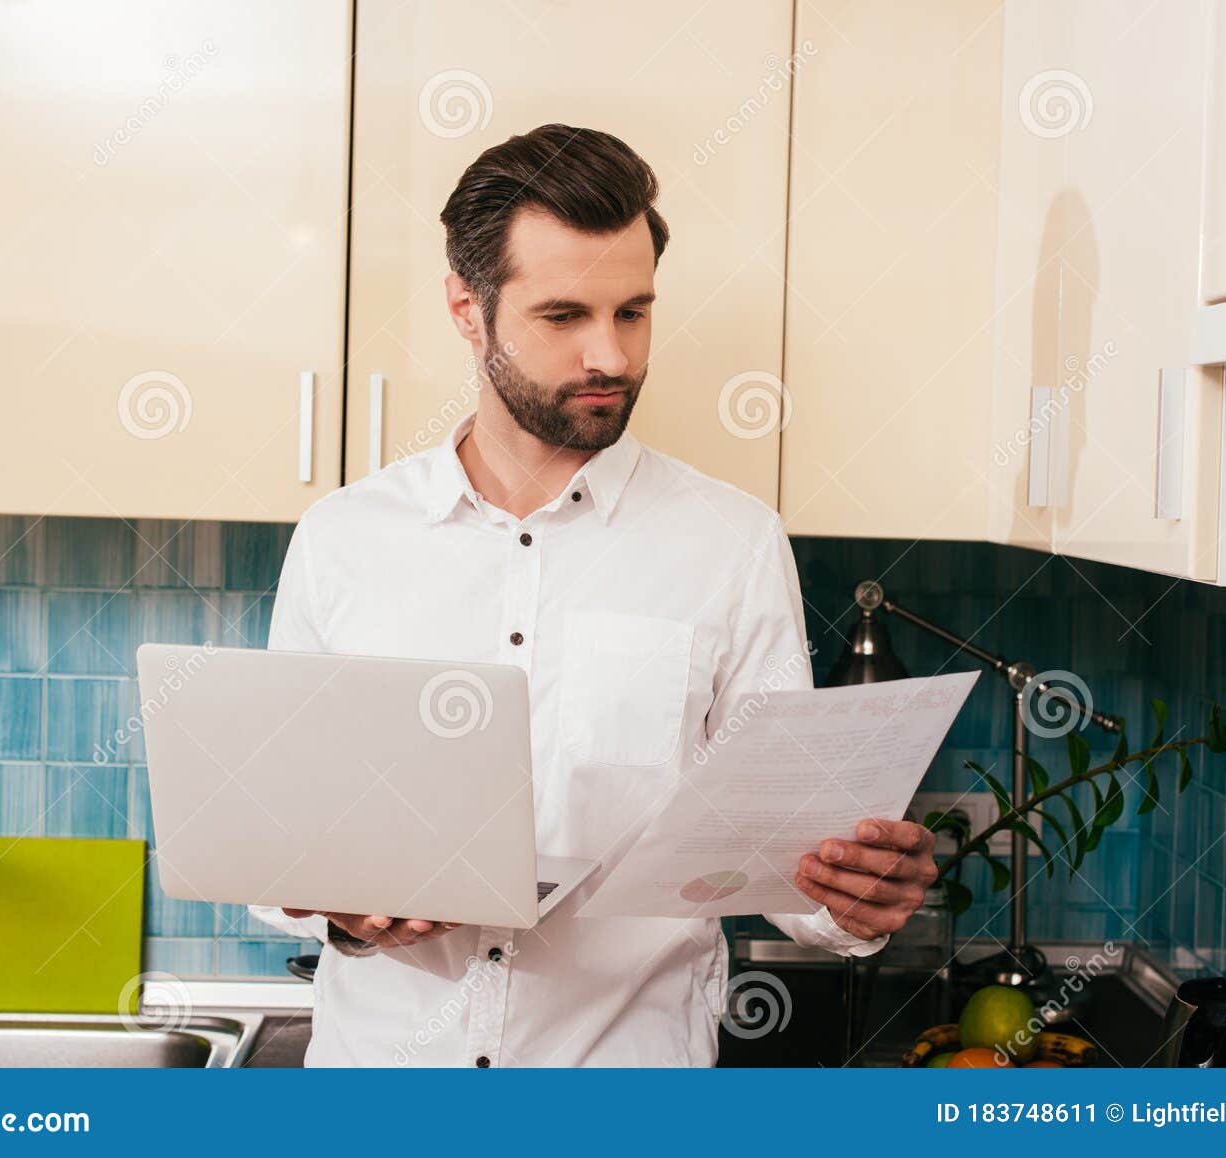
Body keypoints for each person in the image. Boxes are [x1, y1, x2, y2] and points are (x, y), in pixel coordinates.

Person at [252, 123, 938, 1066]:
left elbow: (787, 863)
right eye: (564, 316)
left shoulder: (731, 544)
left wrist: (856, 900)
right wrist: (344, 906)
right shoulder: (344, 538)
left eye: (633, 312)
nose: (610, 356)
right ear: (466, 307)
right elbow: (277, 838)